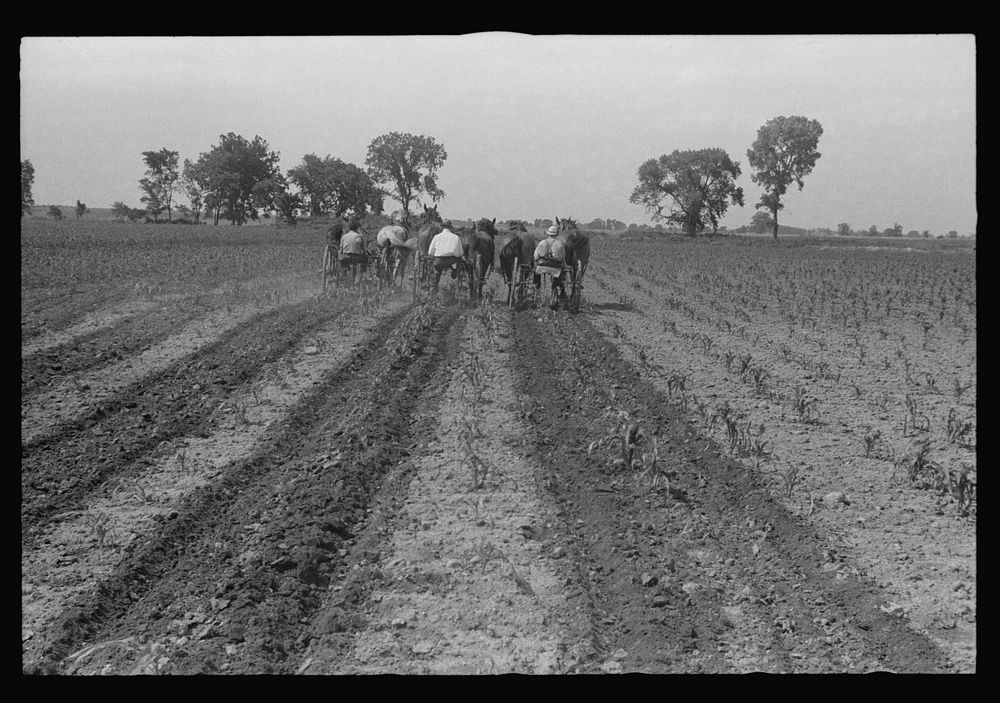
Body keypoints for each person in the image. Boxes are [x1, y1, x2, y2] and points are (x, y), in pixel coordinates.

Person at [533, 224, 567, 308]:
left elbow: (535, 256)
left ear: (548, 234)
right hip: (556, 269)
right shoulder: (560, 244)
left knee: (536, 273)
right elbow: (563, 257)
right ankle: (554, 290)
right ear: (556, 235)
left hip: (541, 266)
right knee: (559, 276)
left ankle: (537, 288)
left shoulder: (542, 242)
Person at [427, 220, 466, 292]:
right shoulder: (456, 237)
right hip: (453, 262)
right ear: (450, 228)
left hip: (439, 261)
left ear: (442, 227)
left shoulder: (436, 237)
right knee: (461, 265)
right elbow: (461, 253)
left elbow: (430, 252)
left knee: (436, 271)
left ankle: (434, 288)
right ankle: (461, 282)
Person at [339, 217, 366, 285]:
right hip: (357, 258)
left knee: (341, 257)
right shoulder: (360, 236)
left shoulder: (344, 237)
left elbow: (341, 250)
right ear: (357, 227)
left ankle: (343, 269)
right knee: (365, 257)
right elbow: (364, 250)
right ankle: (363, 270)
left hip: (345, 258)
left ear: (348, 227)